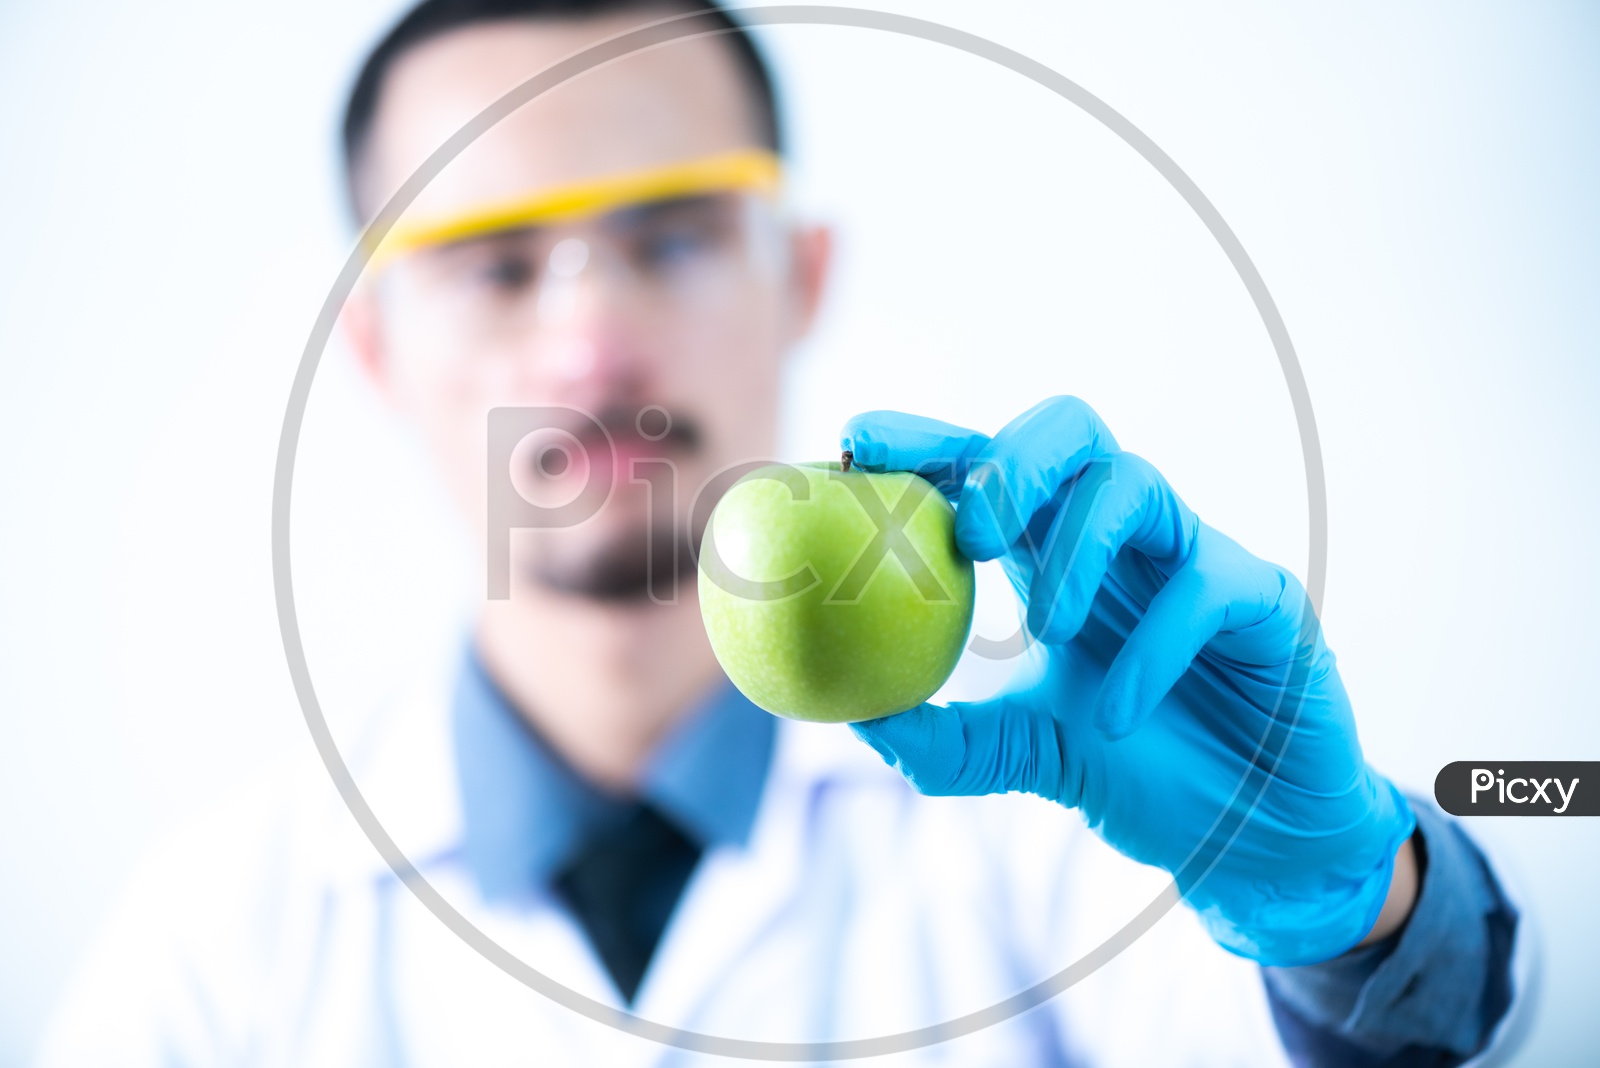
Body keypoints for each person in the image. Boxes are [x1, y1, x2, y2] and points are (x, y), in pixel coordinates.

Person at [37, 1, 1526, 1064]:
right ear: (375, 351)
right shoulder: (213, 957)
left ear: (800, 278)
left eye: (670, 236)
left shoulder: (1071, 831)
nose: (592, 346)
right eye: (493, 265)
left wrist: (1347, 920)